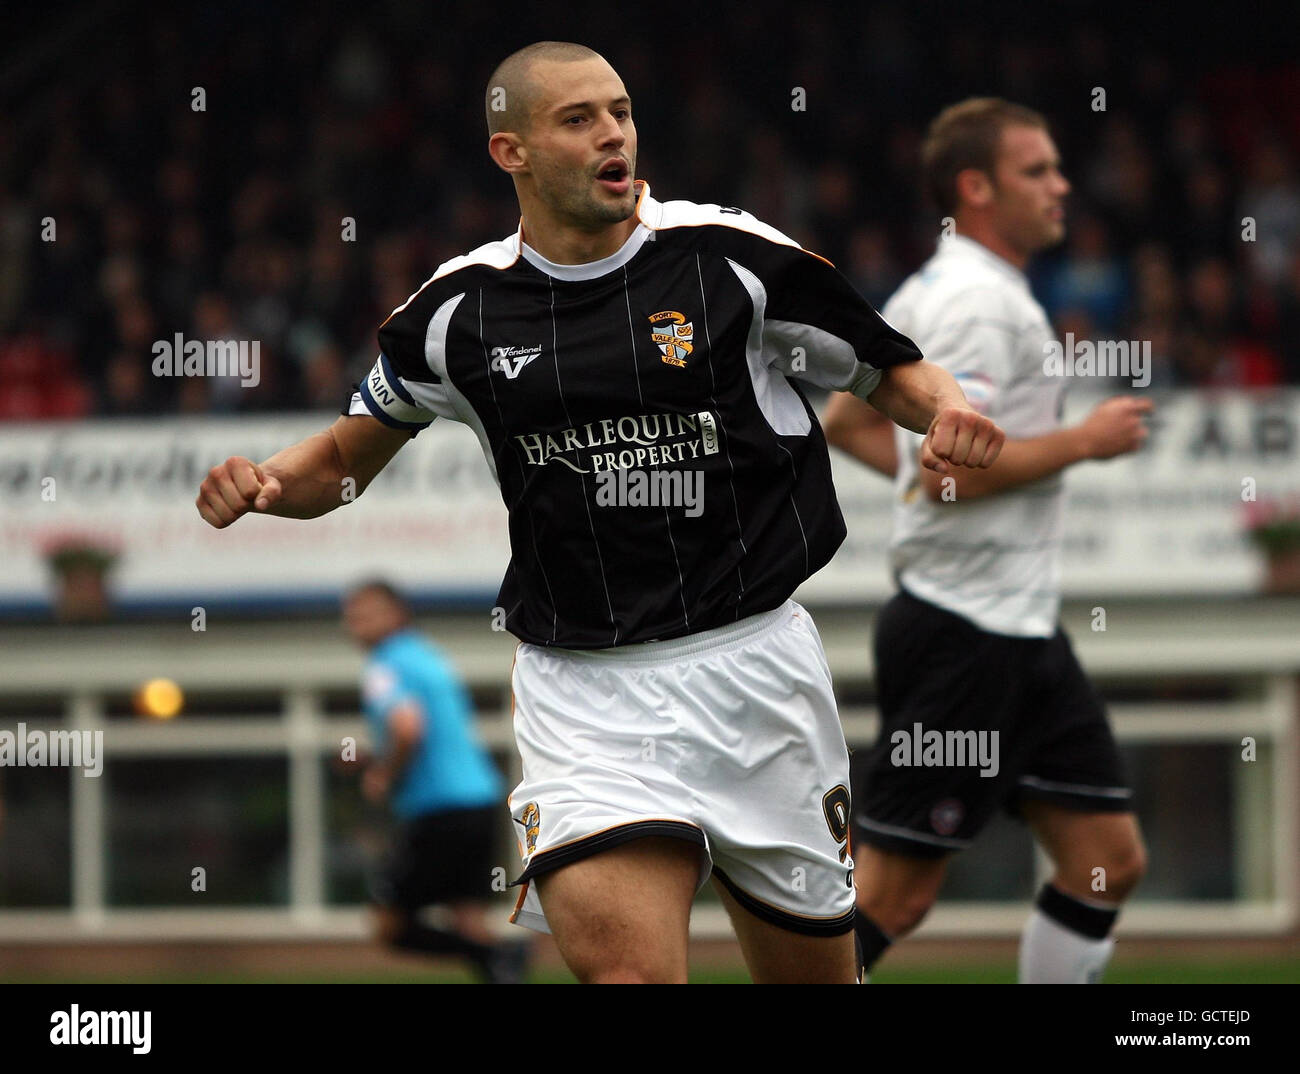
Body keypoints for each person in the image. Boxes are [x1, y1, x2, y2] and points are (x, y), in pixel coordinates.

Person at [197, 41, 1004, 984]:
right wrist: (265, 485)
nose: (612, 133)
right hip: (584, 693)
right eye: (578, 118)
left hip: (757, 673)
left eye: (619, 111)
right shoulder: (456, 314)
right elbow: (342, 458)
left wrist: (946, 410)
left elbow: (887, 367)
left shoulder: (731, 259)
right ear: (514, 153)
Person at [824, 98, 1151, 983]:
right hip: (963, 631)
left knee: (1106, 857)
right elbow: (947, 476)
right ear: (975, 187)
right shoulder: (974, 303)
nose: (1062, 184)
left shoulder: (943, 290)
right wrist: (1084, 441)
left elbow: (848, 421)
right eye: (1037, 169)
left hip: (1017, 628)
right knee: (893, 898)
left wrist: (916, 464)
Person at [343, 579, 527, 984]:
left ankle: (501, 952)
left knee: (388, 925)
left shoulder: (386, 664)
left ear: (397, 613)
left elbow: (409, 729)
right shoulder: (427, 656)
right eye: (351, 617)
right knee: (467, 915)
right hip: (479, 801)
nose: (355, 625)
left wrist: (382, 774)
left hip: (440, 810)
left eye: (365, 615)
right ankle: (500, 961)